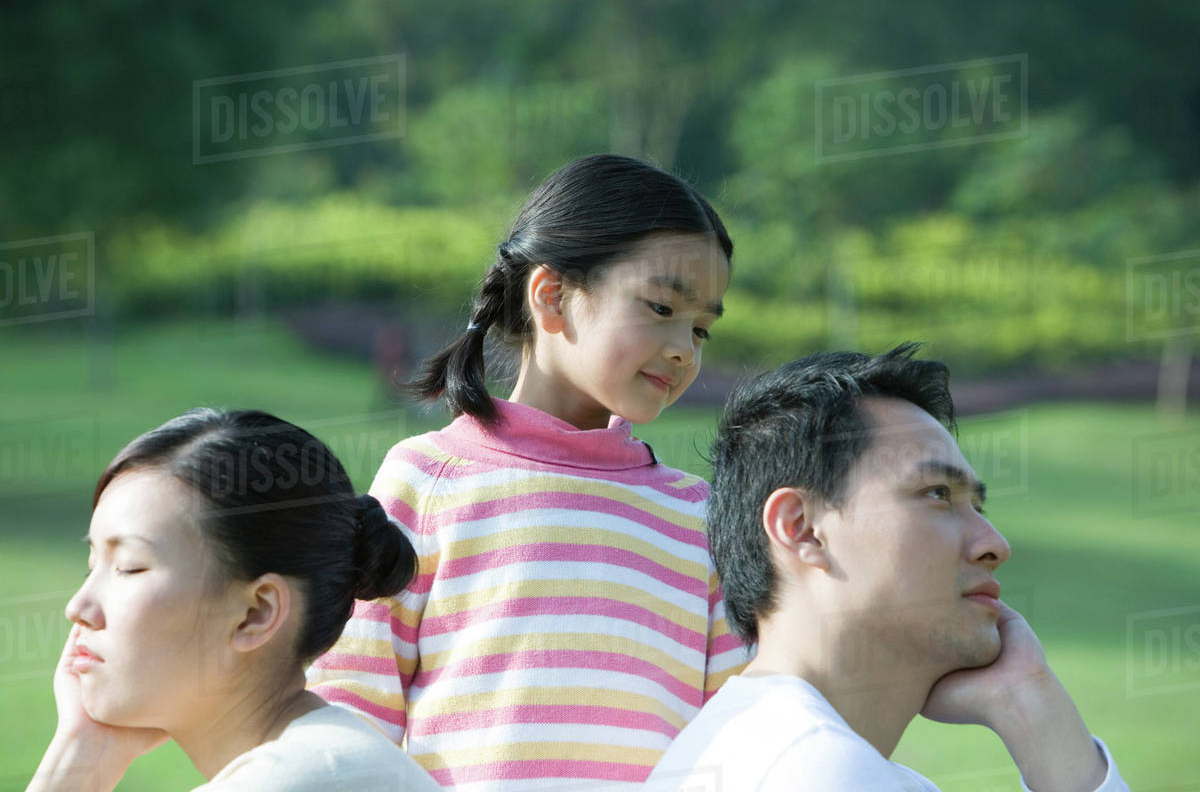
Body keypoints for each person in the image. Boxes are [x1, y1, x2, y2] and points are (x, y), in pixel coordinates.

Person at [306, 154, 748, 790]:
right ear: (553, 296)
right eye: (659, 308)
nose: (684, 347)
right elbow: (353, 707)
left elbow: (732, 735)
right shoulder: (428, 483)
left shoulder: (698, 516)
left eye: (702, 328)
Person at [647, 345, 1131, 792]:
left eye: (978, 508)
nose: (995, 545)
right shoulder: (817, 768)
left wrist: (1029, 701)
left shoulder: (781, 751)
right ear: (802, 529)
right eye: (937, 494)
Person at [26, 409, 442, 792]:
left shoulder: (292, 780)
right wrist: (85, 749)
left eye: (129, 567)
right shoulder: (328, 762)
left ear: (255, 613)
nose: (77, 607)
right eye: (92, 566)